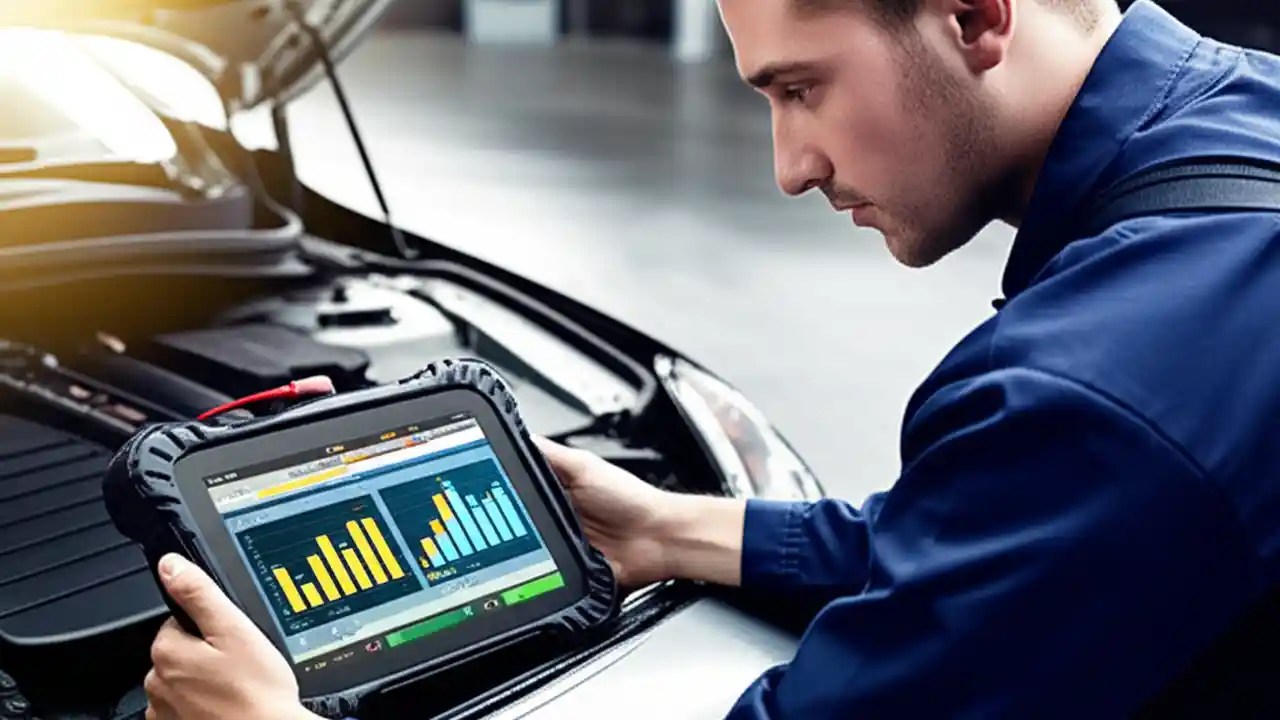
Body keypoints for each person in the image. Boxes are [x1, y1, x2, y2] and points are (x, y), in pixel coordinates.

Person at [143, 0, 1280, 717]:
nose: (789, 167)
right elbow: (1010, 541)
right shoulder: (1240, 121)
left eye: (799, 89)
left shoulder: (1086, 394)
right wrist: (668, 527)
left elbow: (1066, 479)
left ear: (974, 18)